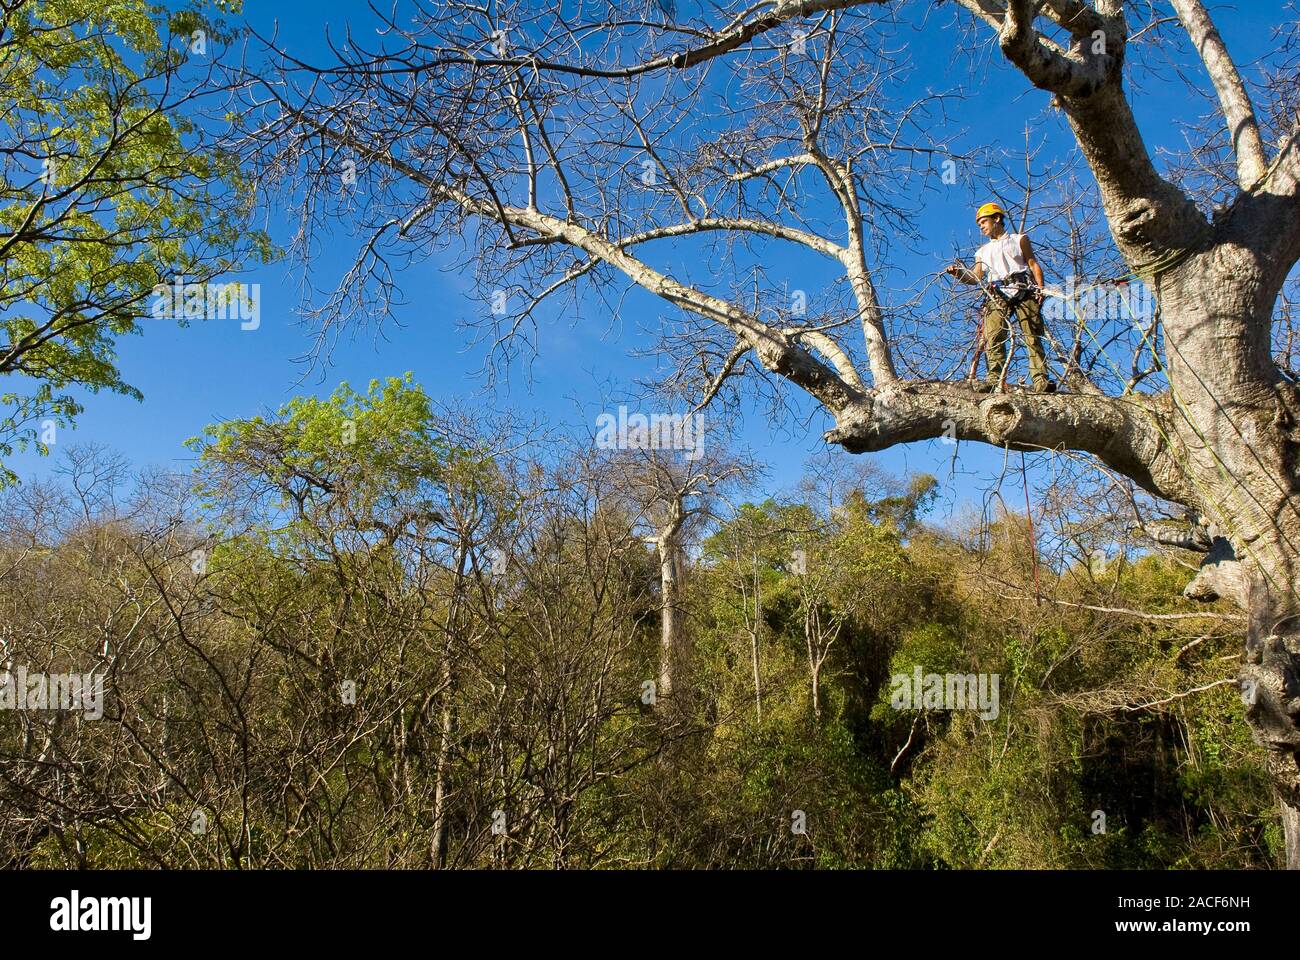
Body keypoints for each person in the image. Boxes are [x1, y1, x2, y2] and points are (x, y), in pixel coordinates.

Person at [946, 202, 1055, 393]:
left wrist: (1040, 288)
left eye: (984, 221)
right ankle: (993, 379)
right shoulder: (982, 251)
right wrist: (958, 274)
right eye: (979, 224)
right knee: (994, 336)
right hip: (997, 293)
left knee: (1032, 335)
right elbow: (975, 277)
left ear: (997, 218)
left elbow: (1033, 264)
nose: (982, 226)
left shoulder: (1019, 239)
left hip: (1023, 289)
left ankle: (1041, 380)